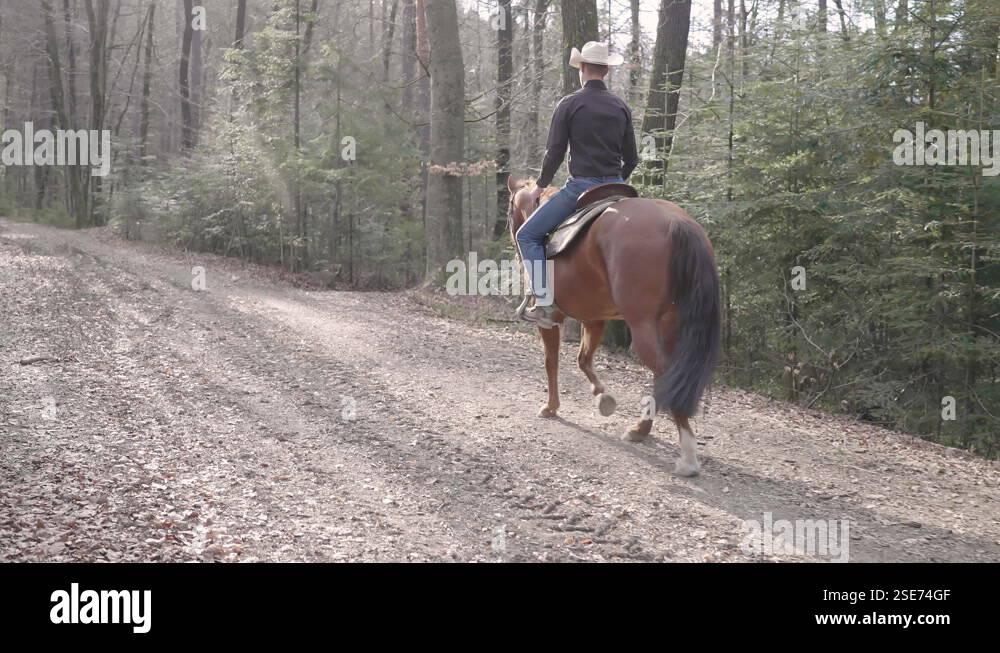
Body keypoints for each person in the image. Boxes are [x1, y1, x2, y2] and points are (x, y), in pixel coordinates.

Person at [516, 41, 640, 328]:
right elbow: (632, 159)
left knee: (527, 235)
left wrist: (540, 185)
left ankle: (545, 304)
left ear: (582, 69)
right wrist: (617, 182)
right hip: (617, 188)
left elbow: (554, 152)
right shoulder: (621, 107)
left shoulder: (570, 104)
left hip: (581, 188)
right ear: (606, 71)